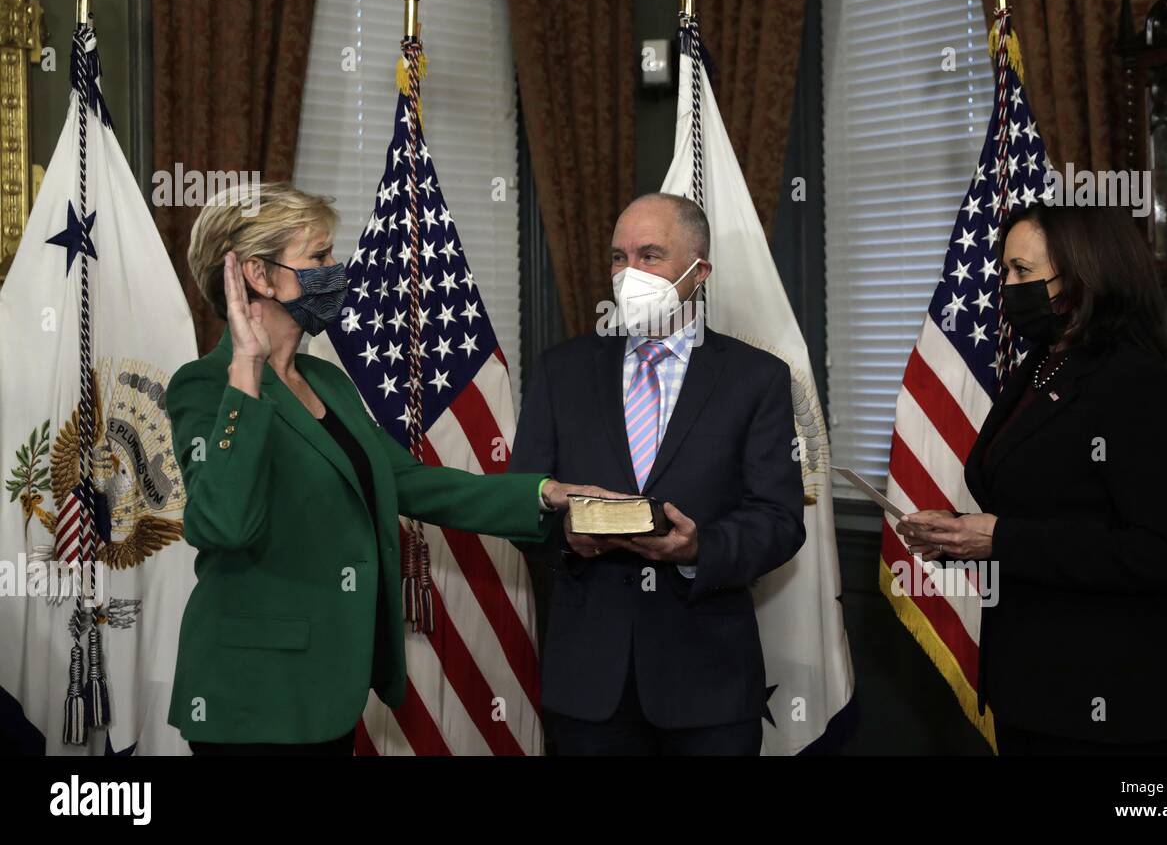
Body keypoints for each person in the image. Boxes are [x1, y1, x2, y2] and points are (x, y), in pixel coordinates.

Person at [167, 182, 605, 754]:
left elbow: (407, 480)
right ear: (258, 274)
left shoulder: (323, 380)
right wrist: (245, 374)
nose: (337, 269)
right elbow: (221, 523)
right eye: (319, 256)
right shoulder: (205, 387)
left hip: (329, 683)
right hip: (255, 695)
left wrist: (544, 494)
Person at [510, 192, 805, 756]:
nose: (629, 274)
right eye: (619, 258)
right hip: (590, 685)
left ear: (699, 272)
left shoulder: (757, 379)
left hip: (709, 683)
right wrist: (567, 539)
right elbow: (522, 500)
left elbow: (780, 519)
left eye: (650, 256)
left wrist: (699, 549)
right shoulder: (561, 371)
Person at [899, 202, 1167, 755]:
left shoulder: (1133, 383)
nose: (1006, 286)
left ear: (1085, 275)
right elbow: (1040, 504)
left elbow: (1159, 551)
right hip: (1029, 683)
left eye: (1022, 272)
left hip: (1106, 693)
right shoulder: (1040, 364)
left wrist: (1000, 538)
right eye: (1005, 271)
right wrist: (961, 532)